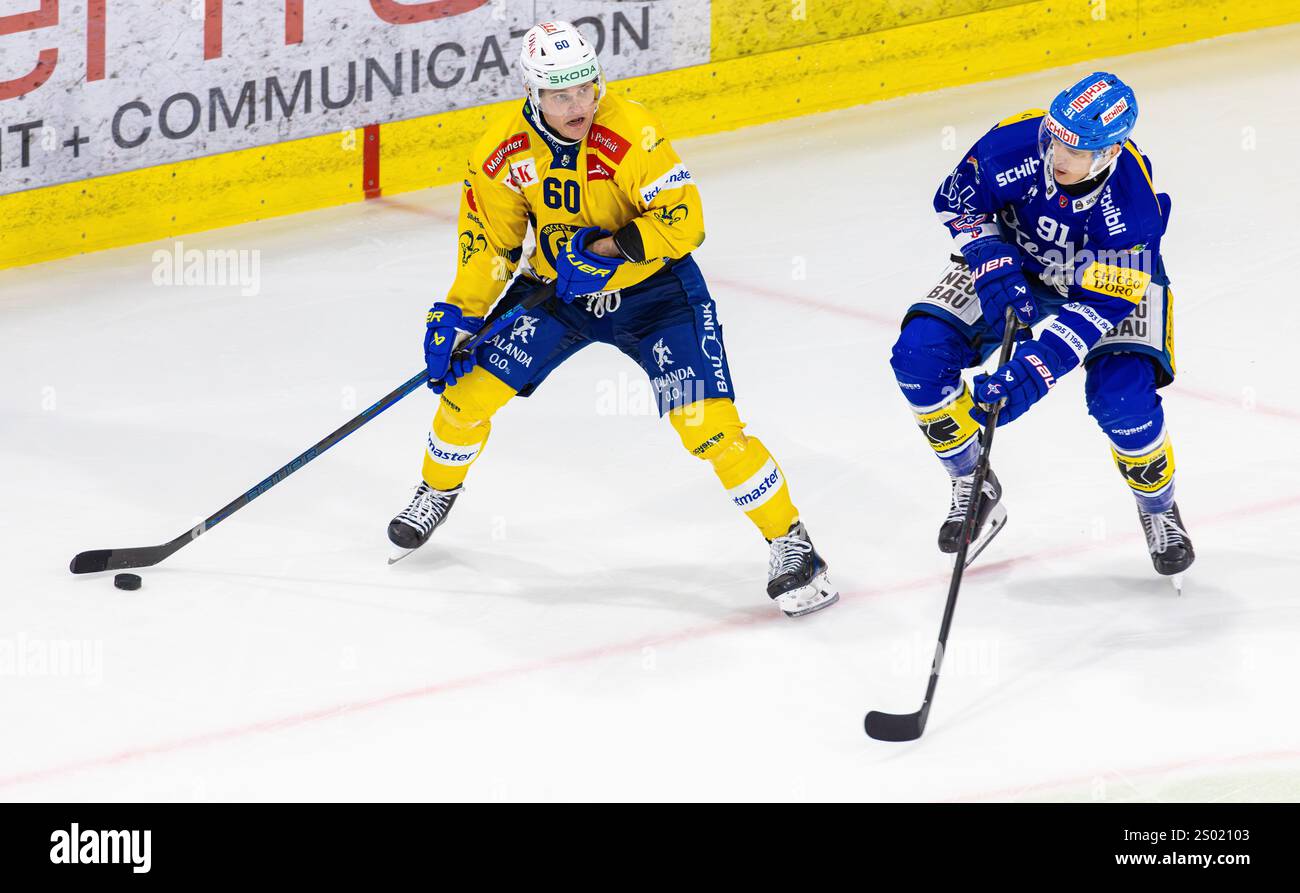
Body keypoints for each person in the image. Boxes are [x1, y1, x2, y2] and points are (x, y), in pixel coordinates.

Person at [387, 21, 837, 617]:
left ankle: (792, 543)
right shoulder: (501, 152)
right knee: (465, 396)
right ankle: (436, 491)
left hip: (656, 295)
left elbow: (686, 221)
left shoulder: (633, 132)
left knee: (708, 428)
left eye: (587, 88)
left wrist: (609, 251)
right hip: (558, 295)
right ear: (533, 93)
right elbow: (491, 246)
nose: (580, 105)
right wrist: (460, 317)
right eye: (563, 94)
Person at [890, 71, 1194, 578]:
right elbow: (958, 199)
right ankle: (973, 481)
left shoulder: (1133, 210)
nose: (1057, 158)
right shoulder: (1014, 142)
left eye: (1074, 152)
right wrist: (988, 252)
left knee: (1122, 401)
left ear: (1110, 152)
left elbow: (1097, 307)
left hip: (1107, 288)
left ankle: (1158, 505)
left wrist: (1037, 366)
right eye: (1055, 139)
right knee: (919, 356)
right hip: (1019, 264)